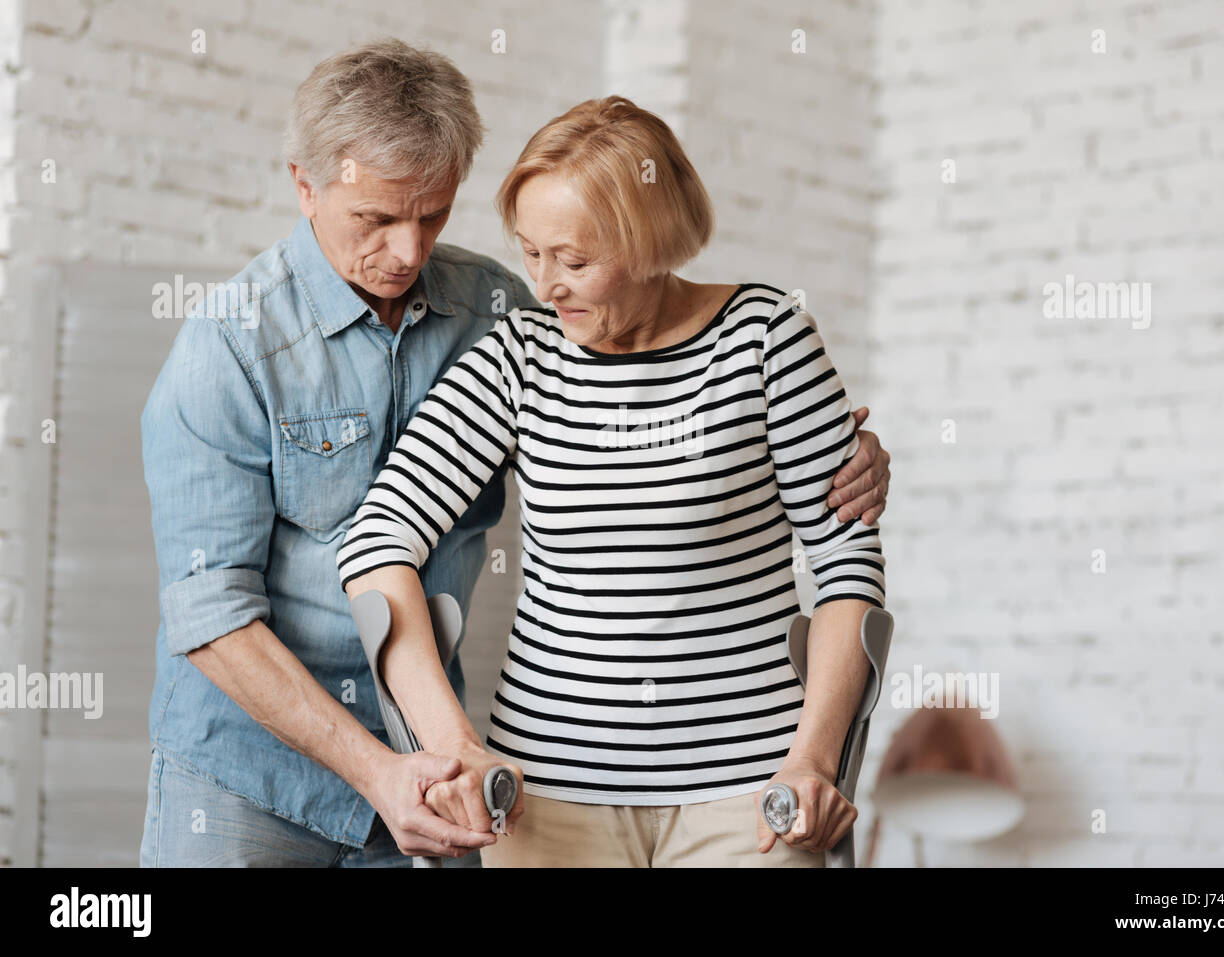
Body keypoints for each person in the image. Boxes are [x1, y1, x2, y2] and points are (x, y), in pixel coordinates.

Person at [139, 43, 891, 867]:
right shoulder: (232, 346)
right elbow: (215, 613)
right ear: (305, 184)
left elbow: (833, 545)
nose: (407, 252)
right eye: (378, 220)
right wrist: (419, 759)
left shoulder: (495, 307)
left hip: (455, 769)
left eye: (432, 216)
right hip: (257, 768)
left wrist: (841, 453)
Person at [336, 95, 887, 867]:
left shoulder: (766, 337)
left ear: (653, 241)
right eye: (531, 253)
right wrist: (455, 745)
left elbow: (846, 567)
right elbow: (378, 536)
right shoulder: (520, 358)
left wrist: (814, 761)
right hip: (548, 791)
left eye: (574, 259)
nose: (546, 285)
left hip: (754, 793)